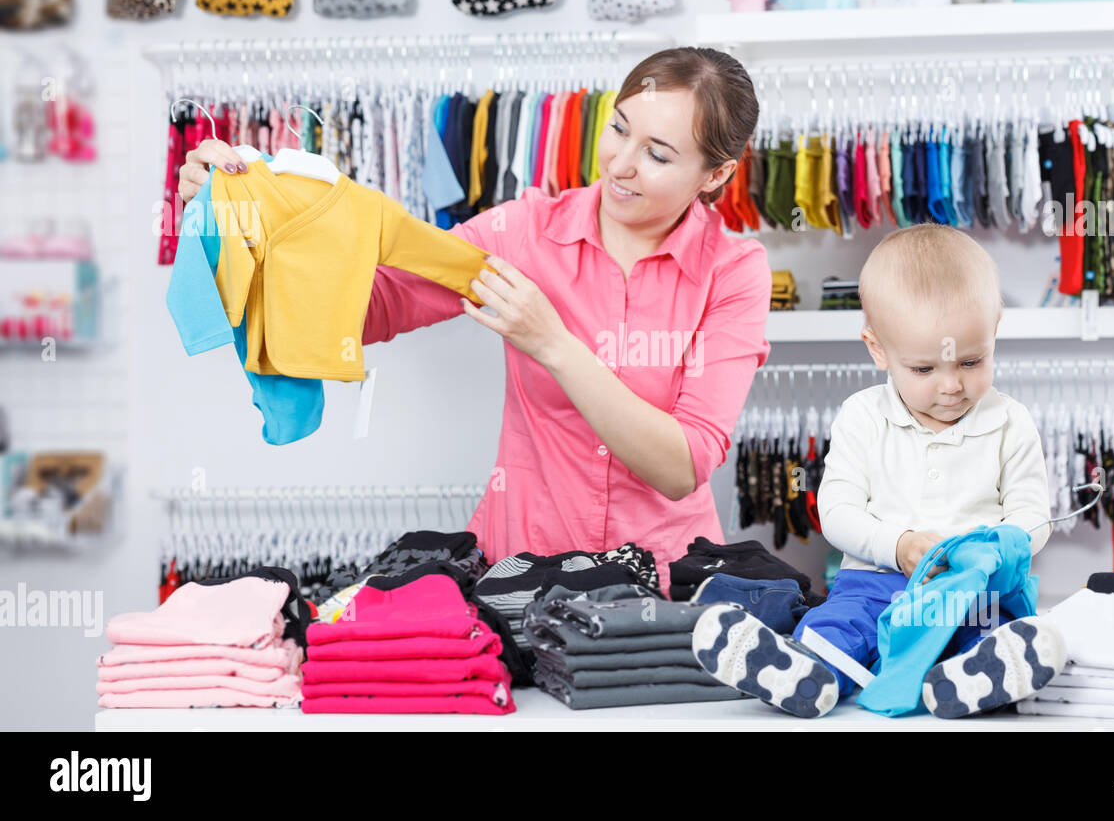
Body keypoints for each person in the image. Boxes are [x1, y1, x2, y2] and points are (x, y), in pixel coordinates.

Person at [176, 47, 771, 588]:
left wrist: (552, 343)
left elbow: (681, 466)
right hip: (523, 582)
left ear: (716, 174)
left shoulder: (733, 271)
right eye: (618, 128)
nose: (620, 164)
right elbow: (375, 308)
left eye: (658, 155)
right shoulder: (522, 233)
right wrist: (241, 222)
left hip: (664, 587)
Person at [693, 223, 1066, 718]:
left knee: (997, 628)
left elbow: (1032, 516)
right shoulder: (862, 416)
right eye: (925, 370)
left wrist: (995, 547)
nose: (951, 386)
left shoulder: (1010, 421)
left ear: (995, 327)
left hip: (971, 590)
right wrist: (898, 545)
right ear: (877, 349)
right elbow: (838, 511)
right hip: (873, 583)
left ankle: (969, 677)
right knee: (841, 625)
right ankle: (807, 670)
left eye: (971, 362)